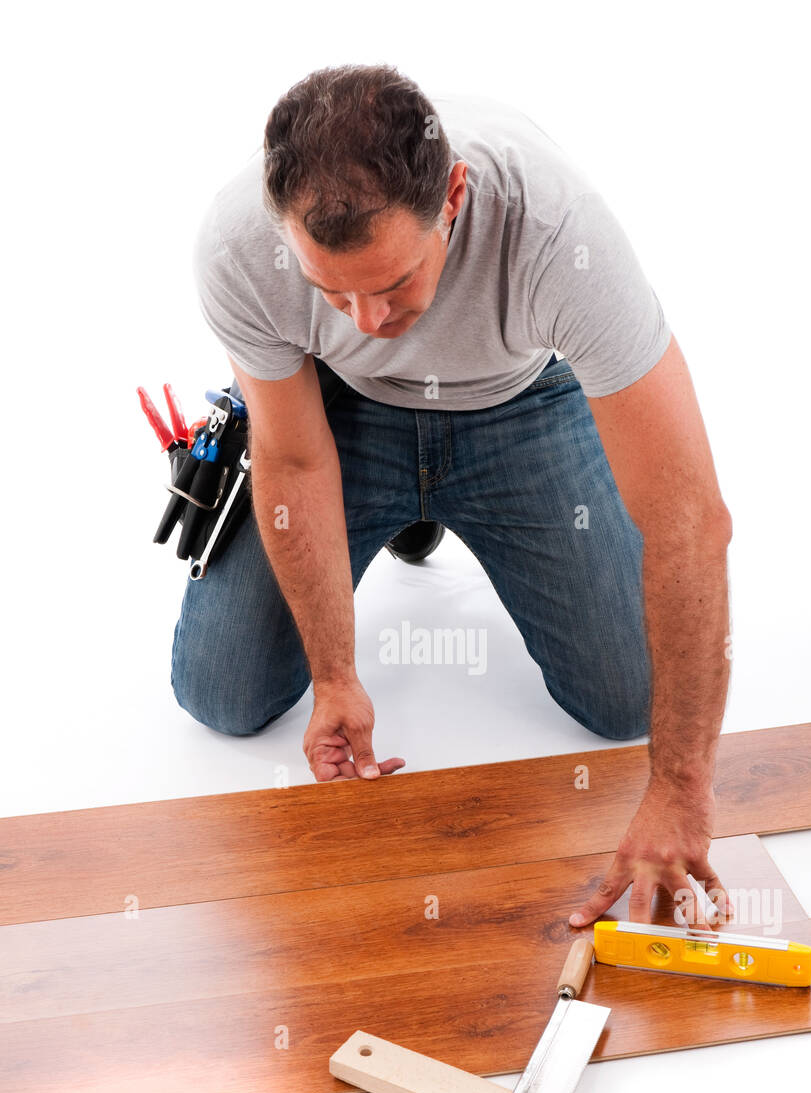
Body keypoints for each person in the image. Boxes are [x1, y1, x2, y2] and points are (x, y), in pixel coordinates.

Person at [176, 63, 734, 925]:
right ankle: (409, 509)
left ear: (455, 198)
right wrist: (336, 675)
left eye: (393, 283)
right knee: (224, 696)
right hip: (343, 414)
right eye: (333, 292)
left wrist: (681, 787)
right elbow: (293, 464)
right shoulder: (239, 243)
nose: (365, 318)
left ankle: (429, 510)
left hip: (518, 404)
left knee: (628, 697)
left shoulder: (557, 233)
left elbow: (690, 521)